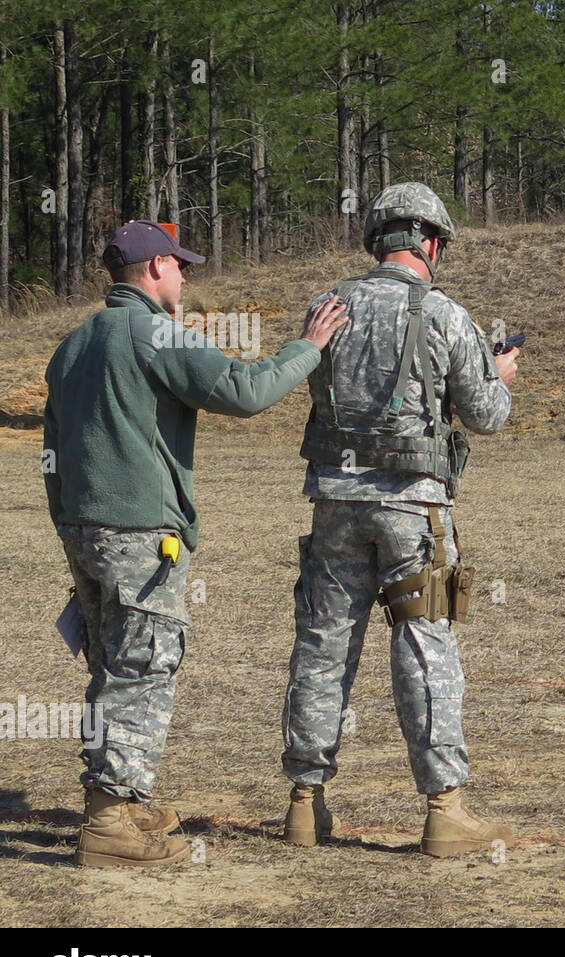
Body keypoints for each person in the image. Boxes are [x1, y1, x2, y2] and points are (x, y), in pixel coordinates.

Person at [43, 220, 347, 868]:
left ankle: (120, 802)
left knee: (112, 669)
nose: (185, 278)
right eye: (180, 266)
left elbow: (50, 453)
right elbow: (243, 391)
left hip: (82, 530)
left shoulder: (70, 347)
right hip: (140, 537)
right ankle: (109, 827)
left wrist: (68, 524)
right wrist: (307, 348)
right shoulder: (155, 333)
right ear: (154, 269)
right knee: (142, 668)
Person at [281, 182, 520, 857]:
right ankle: (444, 809)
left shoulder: (326, 307)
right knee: (424, 645)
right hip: (413, 508)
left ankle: (305, 802)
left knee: (323, 644)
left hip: (333, 503)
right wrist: (498, 374)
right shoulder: (445, 315)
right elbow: (486, 415)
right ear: (432, 243)